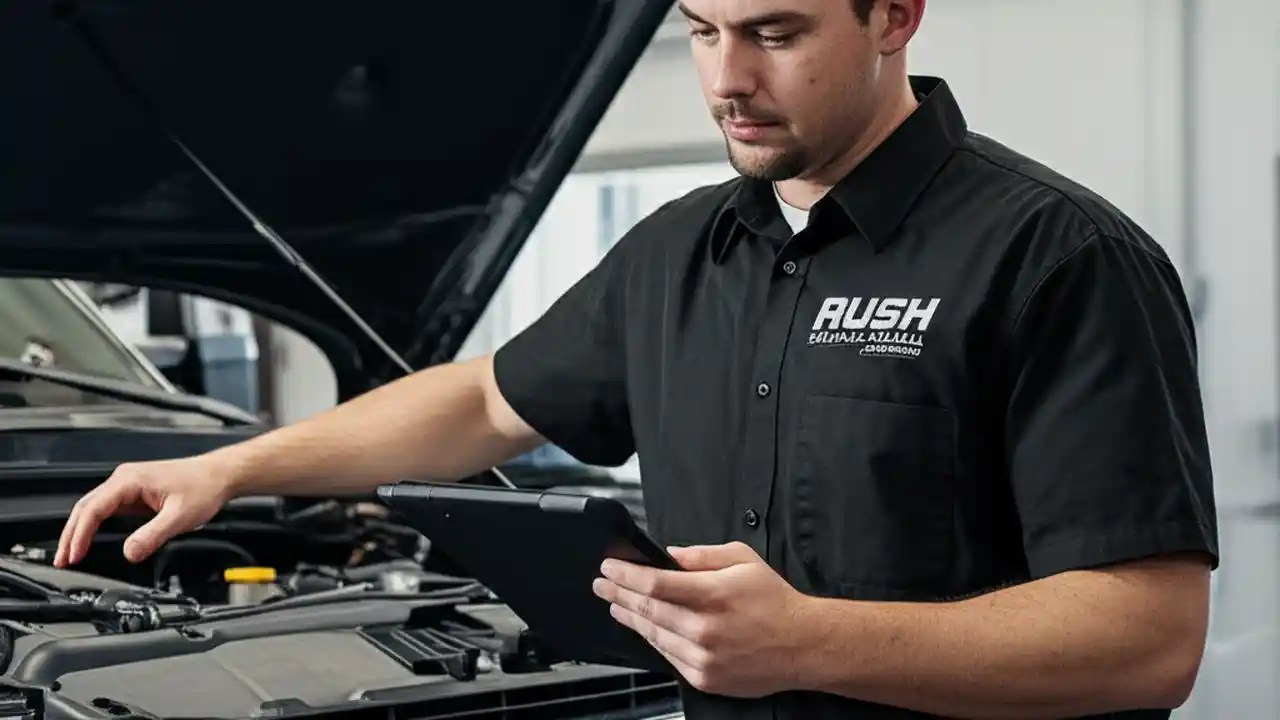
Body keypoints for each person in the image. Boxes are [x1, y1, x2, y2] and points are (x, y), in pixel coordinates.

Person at [55, 1, 1219, 718]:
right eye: (700, 30)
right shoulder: (675, 252)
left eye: (772, 33)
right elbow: (478, 400)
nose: (725, 81)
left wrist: (810, 640)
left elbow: (1144, 640)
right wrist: (235, 468)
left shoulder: (1059, 256)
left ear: (893, 15)